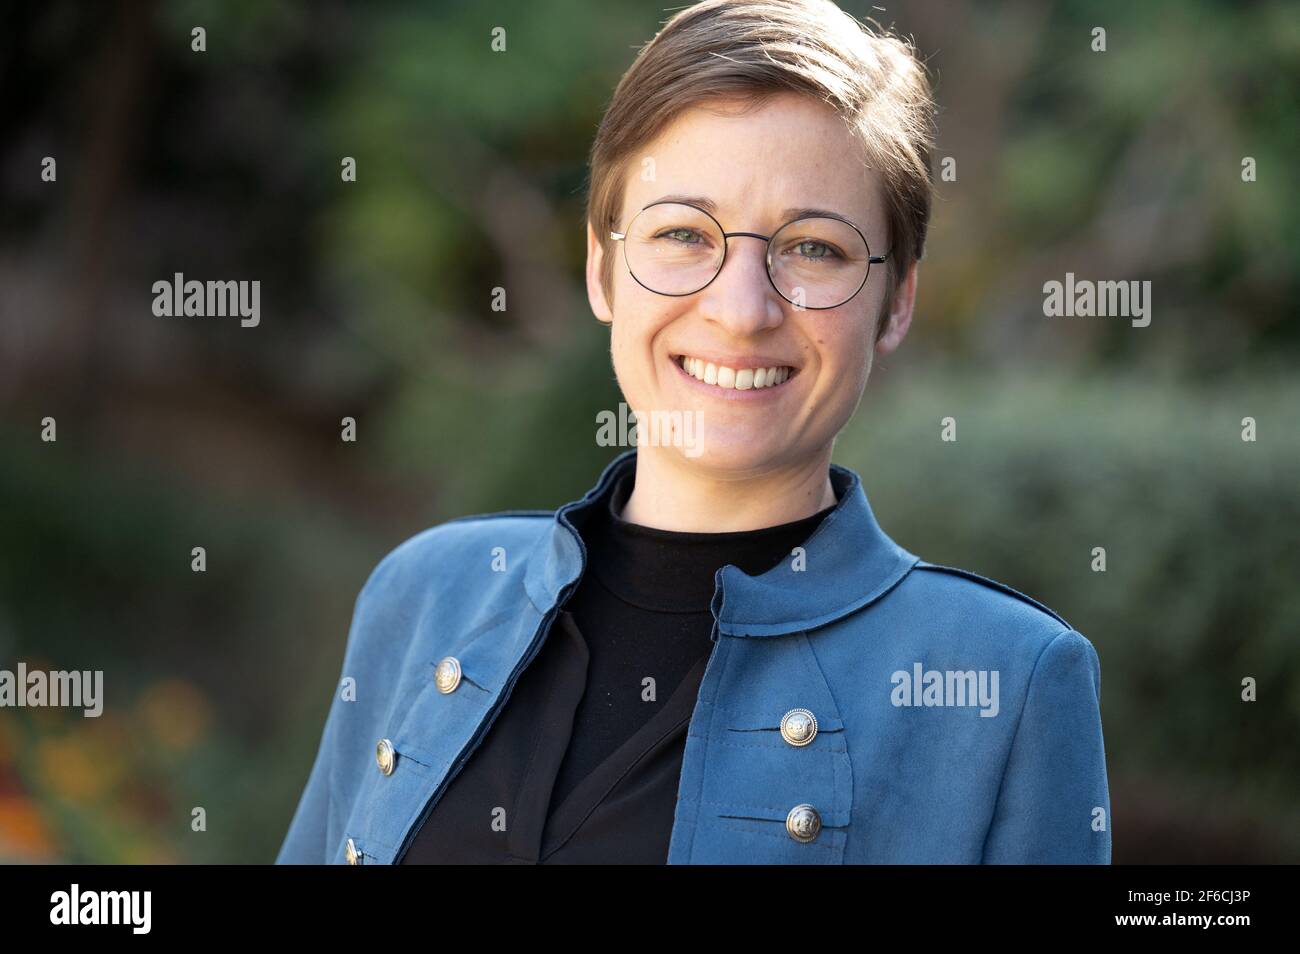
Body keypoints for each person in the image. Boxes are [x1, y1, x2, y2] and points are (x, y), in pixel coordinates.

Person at [276, 0, 1111, 865]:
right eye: (683, 234)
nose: (741, 310)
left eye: (814, 248)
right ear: (603, 270)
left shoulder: (1008, 684)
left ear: (896, 301)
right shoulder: (425, 596)